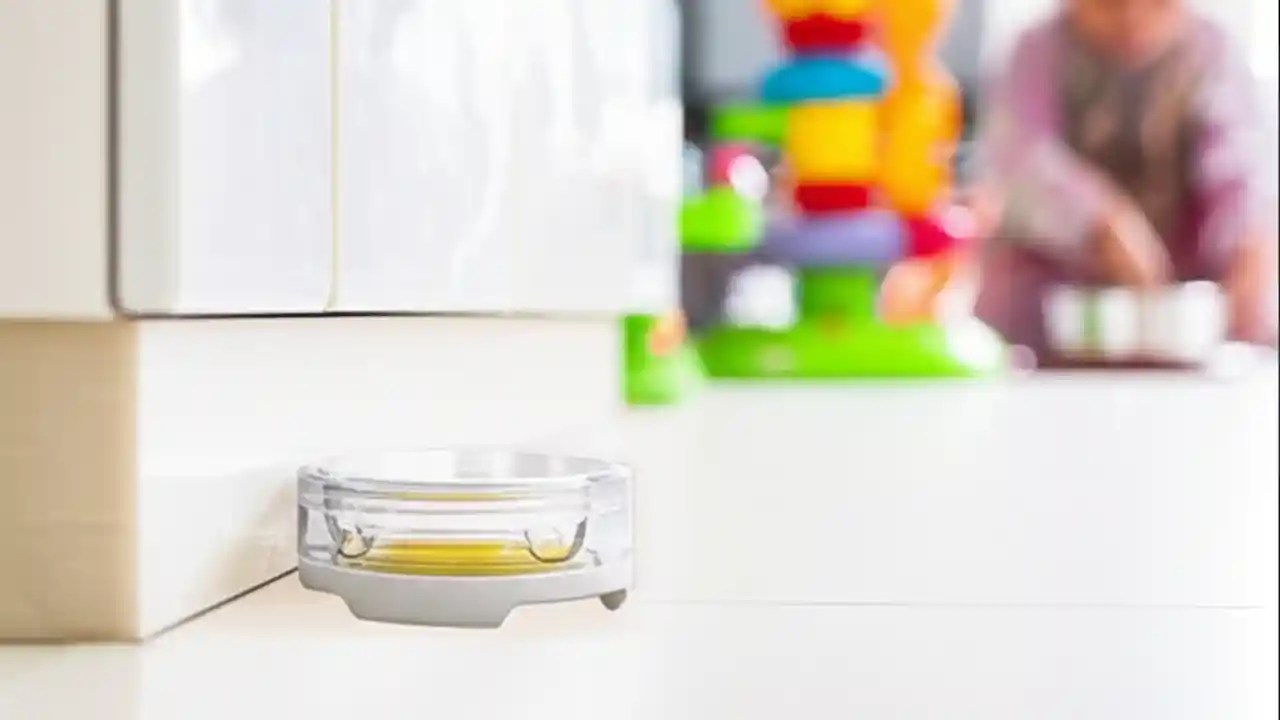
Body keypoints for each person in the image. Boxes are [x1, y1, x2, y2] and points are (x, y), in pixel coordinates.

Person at [973, 0, 1278, 352]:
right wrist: (1102, 220)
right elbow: (1021, 159)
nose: (1134, 19)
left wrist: (1250, 251)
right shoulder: (1036, 53)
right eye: (1110, 4)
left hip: (1181, 332)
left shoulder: (1212, 54)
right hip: (1041, 330)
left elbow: (1242, 172)